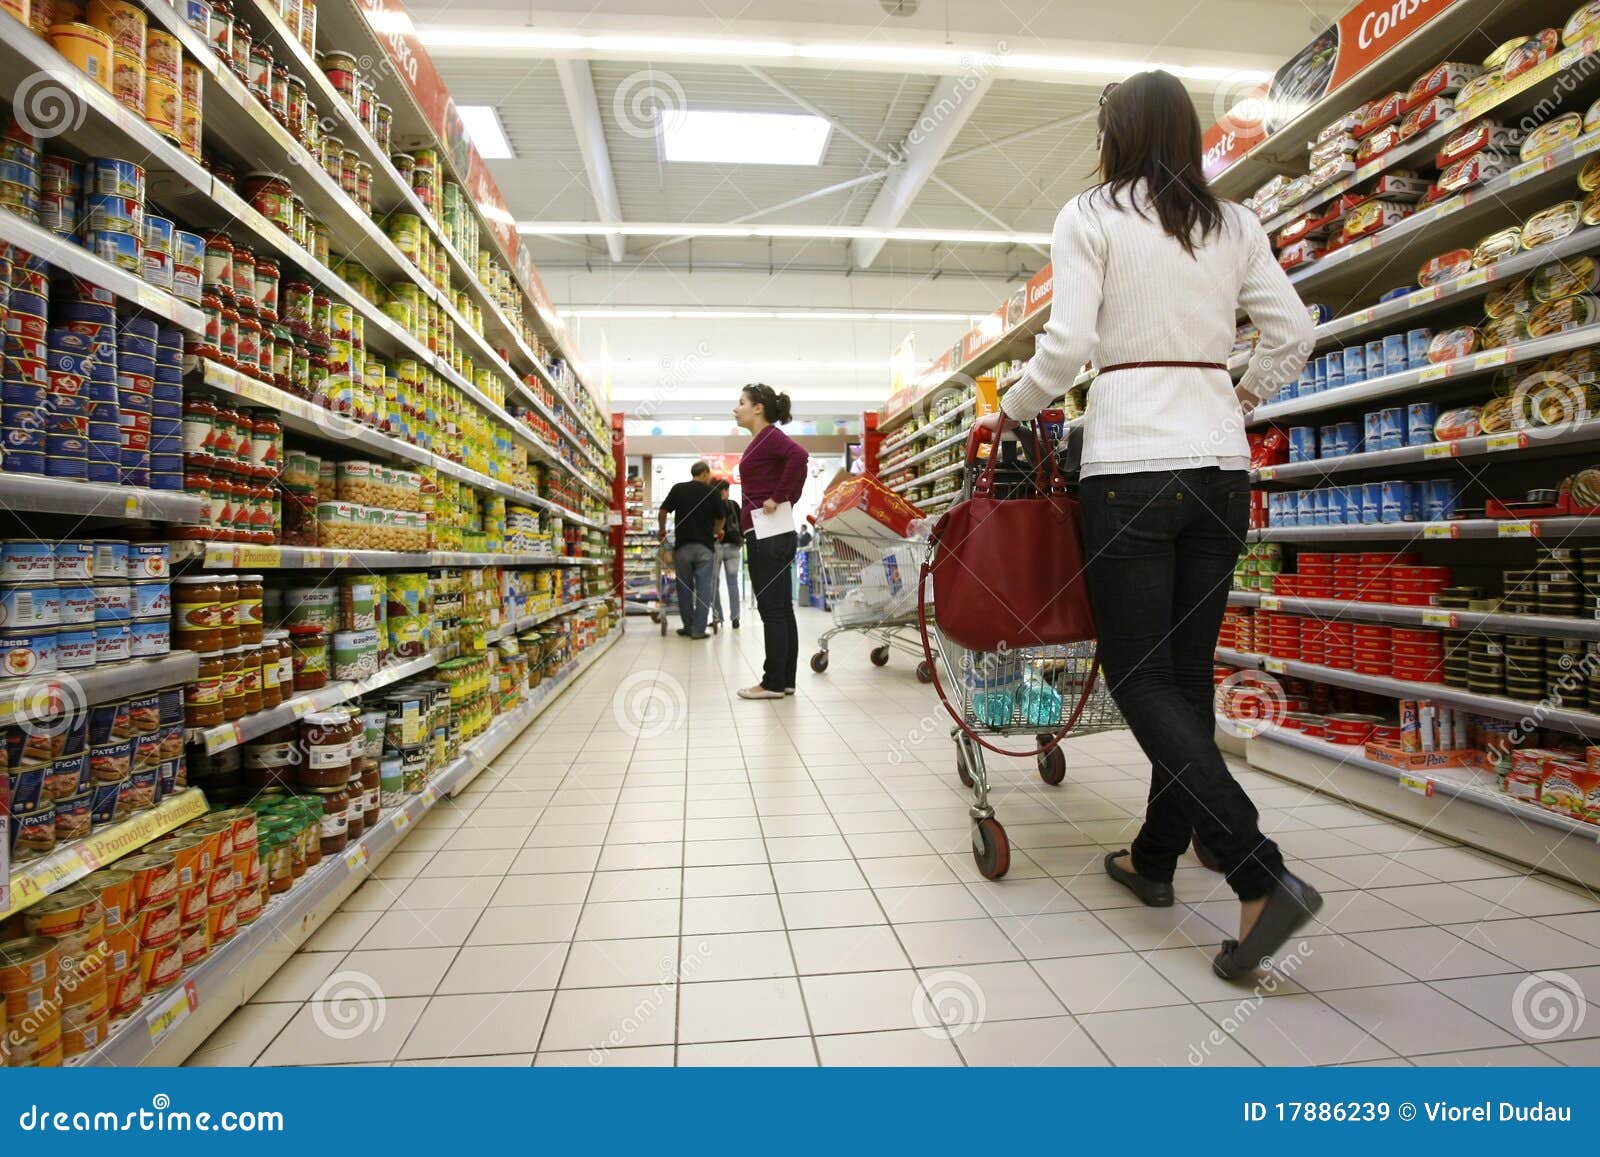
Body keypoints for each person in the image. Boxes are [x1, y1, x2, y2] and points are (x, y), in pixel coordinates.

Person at [975, 70, 1319, 979]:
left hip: (1130, 463)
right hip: (1219, 466)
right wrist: (1238, 393)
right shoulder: (1234, 220)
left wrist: (1015, 407)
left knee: (1136, 676)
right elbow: (1295, 333)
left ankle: (1258, 872)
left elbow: (1070, 344)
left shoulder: (1090, 214)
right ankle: (1157, 856)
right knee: (1182, 673)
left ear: (1113, 133)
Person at [732, 383, 807, 700]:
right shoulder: (760, 440)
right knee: (781, 610)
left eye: (741, 403)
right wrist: (785, 499)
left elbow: (799, 457)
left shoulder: (770, 436)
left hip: (767, 531)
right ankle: (785, 680)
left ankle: (773, 682)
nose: (736, 409)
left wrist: (781, 497)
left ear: (758, 407)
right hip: (771, 530)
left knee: (772, 610)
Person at [657, 460, 724, 640]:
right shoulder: (713, 492)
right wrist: (716, 532)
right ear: (704, 474)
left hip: (683, 548)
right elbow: (721, 518)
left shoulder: (678, 489)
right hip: (704, 548)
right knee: (704, 589)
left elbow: (663, 511)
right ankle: (698, 630)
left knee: (684, 588)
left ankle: (688, 626)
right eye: (708, 475)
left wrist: (662, 530)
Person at [710, 478, 742, 631]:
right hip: (733, 547)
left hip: (716, 546)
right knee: (733, 583)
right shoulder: (734, 505)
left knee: (714, 584)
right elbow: (741, 524)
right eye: (727, 490)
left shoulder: (712, 505)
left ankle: (717, 617)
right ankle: (735, 618)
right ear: (723, 491)